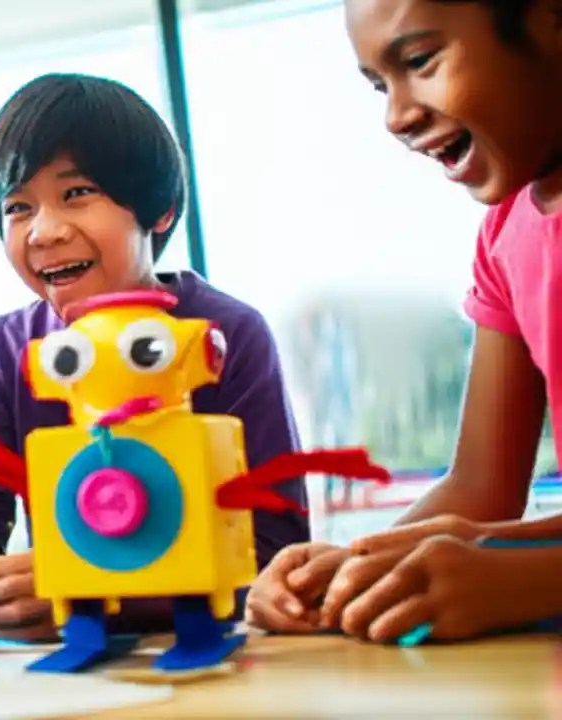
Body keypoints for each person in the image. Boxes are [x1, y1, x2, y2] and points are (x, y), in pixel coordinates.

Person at [0, 73, 311, 640]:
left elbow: (276, 552)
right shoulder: (7, 349)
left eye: (76, 194)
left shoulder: (226, 333)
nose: (43, 232)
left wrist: (97, 595)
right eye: (17, 207)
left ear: (159, 208)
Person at [246, 0, 562, 645]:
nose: (396, 116)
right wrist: (355, 568)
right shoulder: (506, 236)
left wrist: (525, 580)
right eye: (378, 86)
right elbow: (480, 488)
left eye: (419, 61)